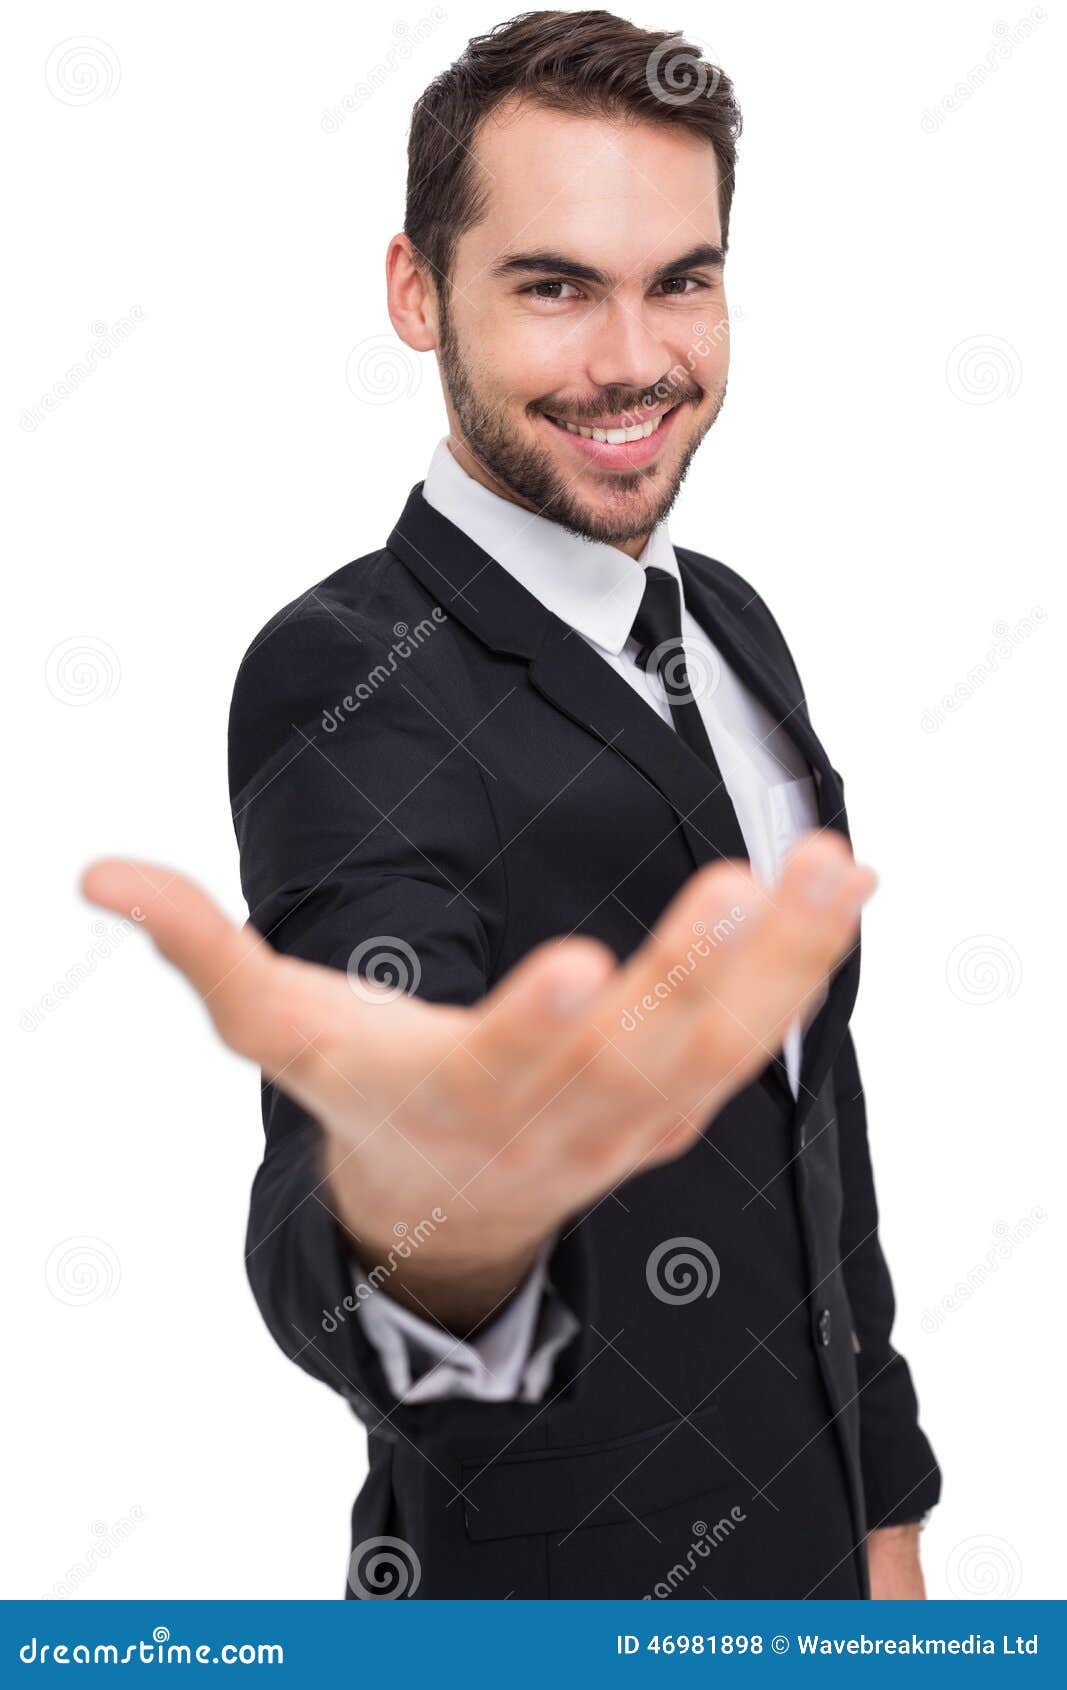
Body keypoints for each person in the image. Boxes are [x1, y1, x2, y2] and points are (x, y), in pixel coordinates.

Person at [83, 10, 940, 1599]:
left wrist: (889, 1521)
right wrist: (441, 1215)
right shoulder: (348, 673)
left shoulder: (732, 625)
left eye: (680, 278)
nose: (633, 359)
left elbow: (820, 1118)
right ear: (417, 293)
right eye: (554, 286)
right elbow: (350, 1181)